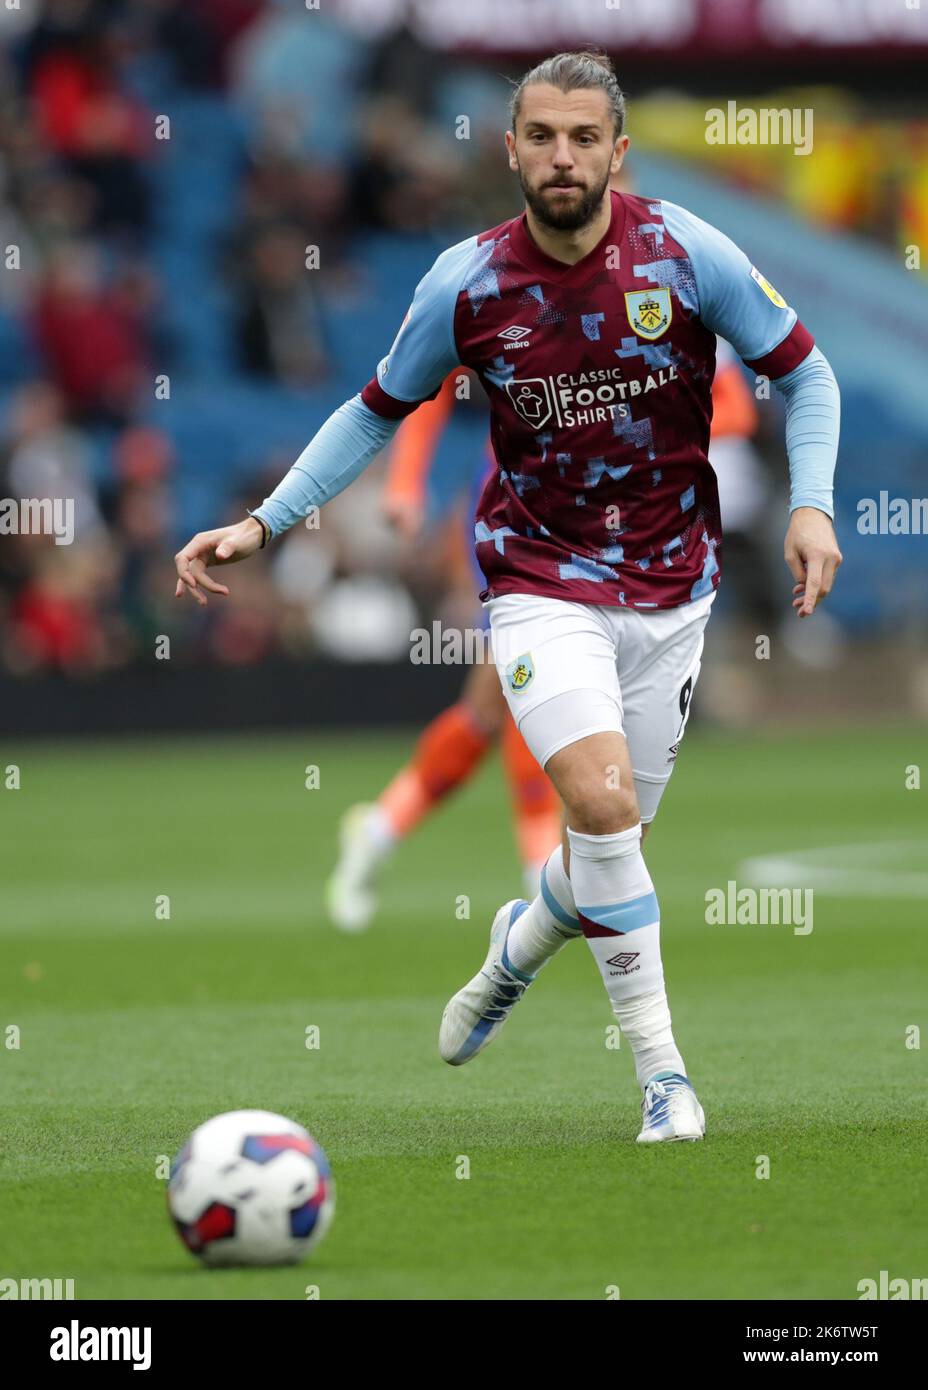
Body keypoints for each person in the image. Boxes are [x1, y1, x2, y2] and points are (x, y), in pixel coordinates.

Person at [175, 51, 841, 1144]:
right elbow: (373, 409)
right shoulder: (467, 283)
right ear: (511, 149)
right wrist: (262, 523)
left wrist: (810, 505)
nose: (563, 156)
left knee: (601, 853)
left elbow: (805, 372)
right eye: (542, 135)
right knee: (602, 802)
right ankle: (665, 1082)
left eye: (585, 137)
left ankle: (517, 946)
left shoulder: (683, 252)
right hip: (539, 583)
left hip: (674, 589)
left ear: (618, 151)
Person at [325, 372, 562, 930]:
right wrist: (405, 481)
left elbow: (735, 410)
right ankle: (541, 874)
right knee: (524, 674)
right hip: (513, 504)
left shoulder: (635, 293)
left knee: (488, 706)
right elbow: (434, 379)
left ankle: (379, 830)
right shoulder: (494, 290)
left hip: (587, 504)